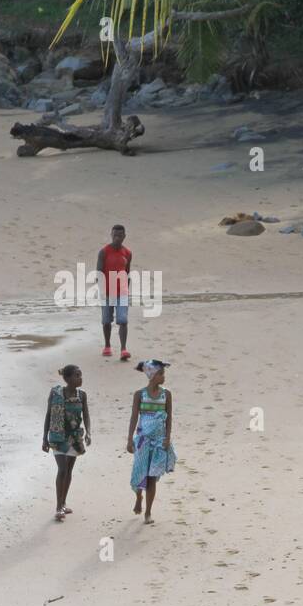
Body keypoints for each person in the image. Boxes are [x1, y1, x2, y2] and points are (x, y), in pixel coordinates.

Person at [126, 359, 176, 523]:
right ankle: (138, 496)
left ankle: (148, 512)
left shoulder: (166, 394)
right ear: (152, 376)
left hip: (159, 441)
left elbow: (169, 418)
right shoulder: (139, 394)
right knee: (140, 473)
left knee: (152, 476)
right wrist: (129, 439)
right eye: (161, 374)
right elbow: (134, 417)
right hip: (142, 441)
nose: (163, 377)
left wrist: (167, 437)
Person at [41, 364, 91, 521]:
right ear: (68, 378)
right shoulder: (55, 393)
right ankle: (58, 507)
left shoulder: (82, 395)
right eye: (77, 375)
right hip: (57, 437)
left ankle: (63, 503)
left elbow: (86, 415)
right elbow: (49, 414)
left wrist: (88, 432)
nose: (80, 378)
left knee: (68, 471)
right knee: (62, 469)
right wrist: (44, 438)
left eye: (80, 375)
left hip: (74, 438)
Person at [96, 224, 132, 361]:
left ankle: (123, 349)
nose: (117, 238)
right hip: (107, 292)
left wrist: (126, 289)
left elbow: (127, 272)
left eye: (120, 235)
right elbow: (99, 273)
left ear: (124, 236)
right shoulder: (104, 252)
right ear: (111, 235)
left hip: (122, 292)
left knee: (123, 320)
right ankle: (107, 345)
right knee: (106, 321)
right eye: (115, 235)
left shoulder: (127, 253)